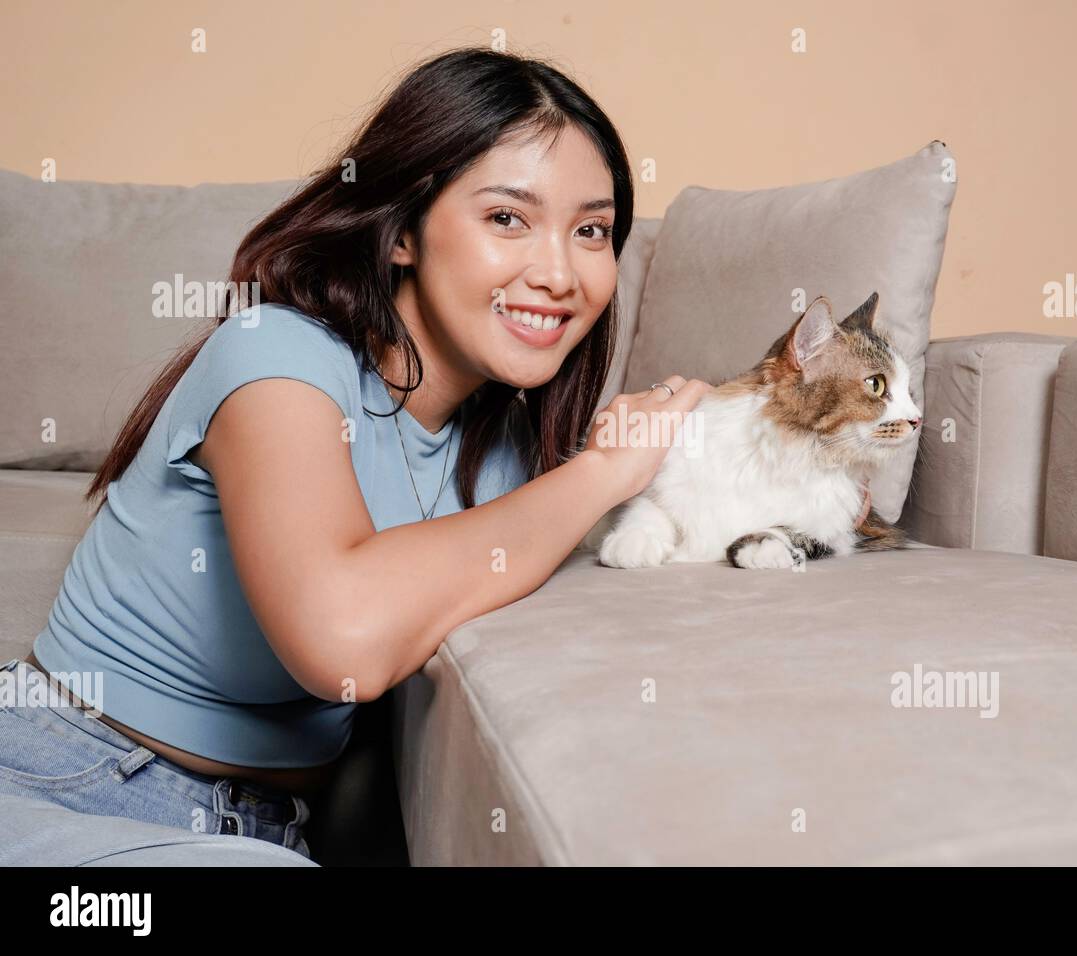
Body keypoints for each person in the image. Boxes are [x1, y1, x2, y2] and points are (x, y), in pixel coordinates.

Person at [0, 46, 710, 865]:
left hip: (264, 829)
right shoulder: (275, 357)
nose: (558, 272)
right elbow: (343, 637)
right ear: (404, 230)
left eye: (591, 230)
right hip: (60, 784)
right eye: (507, 218)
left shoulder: (507, 449)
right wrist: (600, 472)